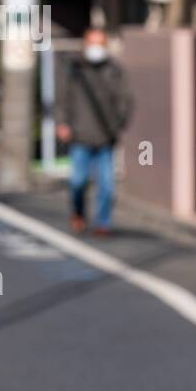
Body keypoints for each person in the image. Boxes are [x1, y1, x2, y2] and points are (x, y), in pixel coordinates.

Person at [56, 27, 133, 236]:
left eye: (101, 43)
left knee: (107, 186)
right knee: (78, 181)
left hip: (106, 136)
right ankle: (78, 213)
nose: (96, 48)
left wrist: (118, 125)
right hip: (80, 135)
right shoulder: (74, 69)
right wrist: (62, 123)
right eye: (93, 43)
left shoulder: (114, 70)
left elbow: (125, 100)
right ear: (85, 44)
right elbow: (63, 98)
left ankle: (103, 223)